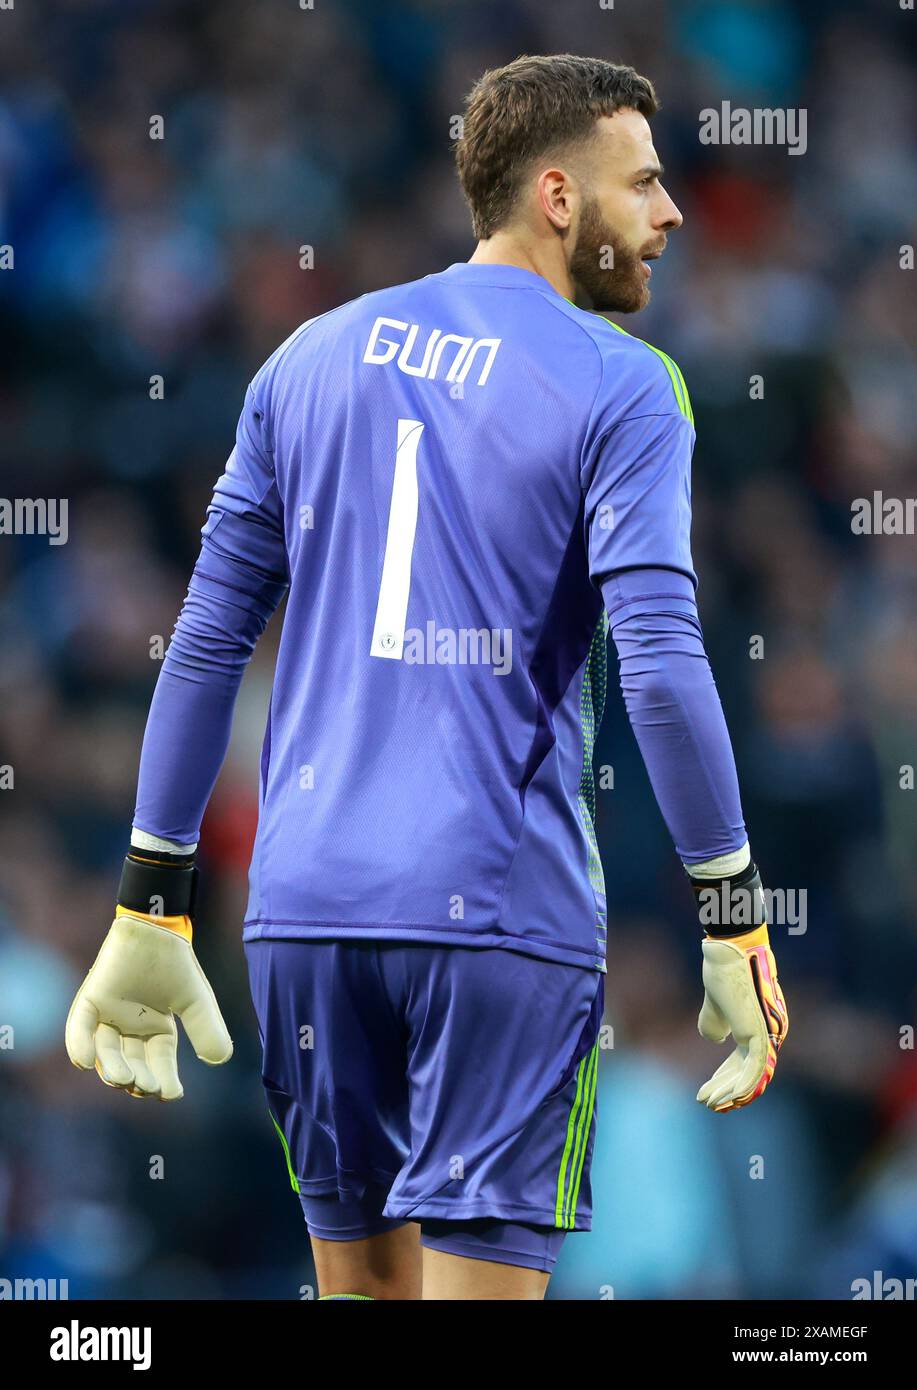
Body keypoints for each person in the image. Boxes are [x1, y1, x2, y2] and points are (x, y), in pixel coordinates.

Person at [65, 54, 787, 1302]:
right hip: (498, 921)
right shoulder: (622, 386)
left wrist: (148, 897)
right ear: (557, 196)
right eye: (647, 185)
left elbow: (202, 643)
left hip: (303, 920)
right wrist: (728, 908)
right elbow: (662, 666)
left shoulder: (303, 359)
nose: (671, 215)